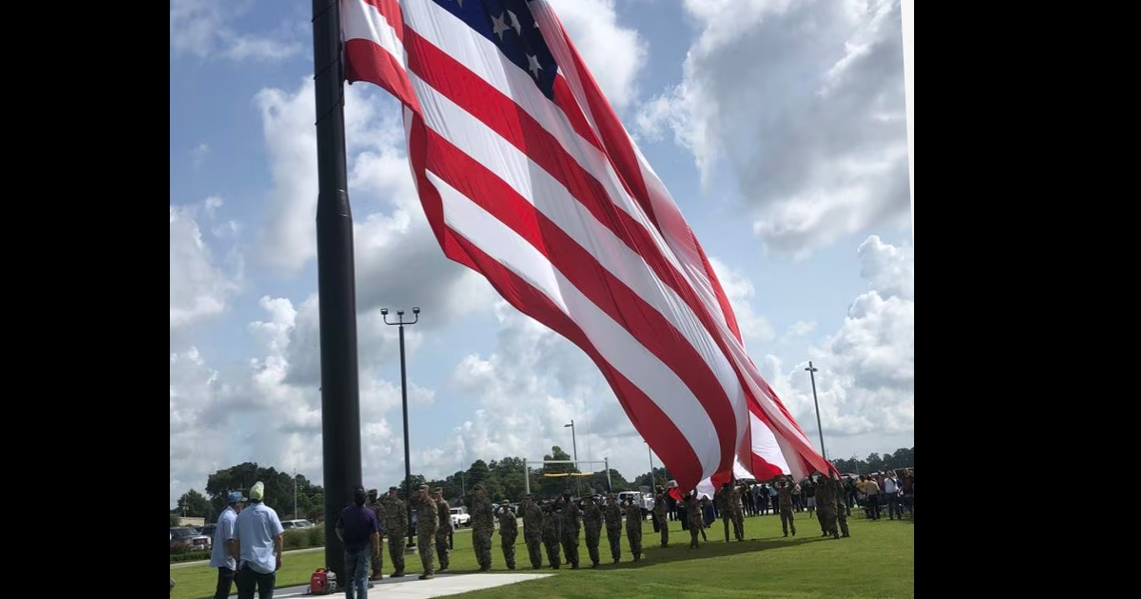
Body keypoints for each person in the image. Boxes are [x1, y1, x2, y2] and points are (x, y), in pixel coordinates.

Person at [233, 481, 284, 599]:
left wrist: (237, 559)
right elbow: (279, 537)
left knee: (245, 595)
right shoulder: (270, 513)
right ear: (263, 497)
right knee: (266, 594)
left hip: (247, 562)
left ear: (250, 498)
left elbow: (236, 540)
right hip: (267, 562)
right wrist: (279, 558)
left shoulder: (241, 515)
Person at [336, 487, 382, 599]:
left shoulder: (346, 511)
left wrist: (343, 540)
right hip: (363, 547)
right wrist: (376, 548)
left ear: (354, 499)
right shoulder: (369, 513)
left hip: (349, 548)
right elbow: (375, 533)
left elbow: (338, 529)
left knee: (349, 577)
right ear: (364, 499)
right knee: (362, 577)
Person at [210, 491, 245, 599]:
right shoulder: (230, 518)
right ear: (237, 503)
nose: (243, 505)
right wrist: (237, 558)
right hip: (228, 560)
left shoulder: (227, 514)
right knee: (223, 591)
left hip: (229, 560)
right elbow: (230, 541)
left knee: (244, 588)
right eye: (242, 502)